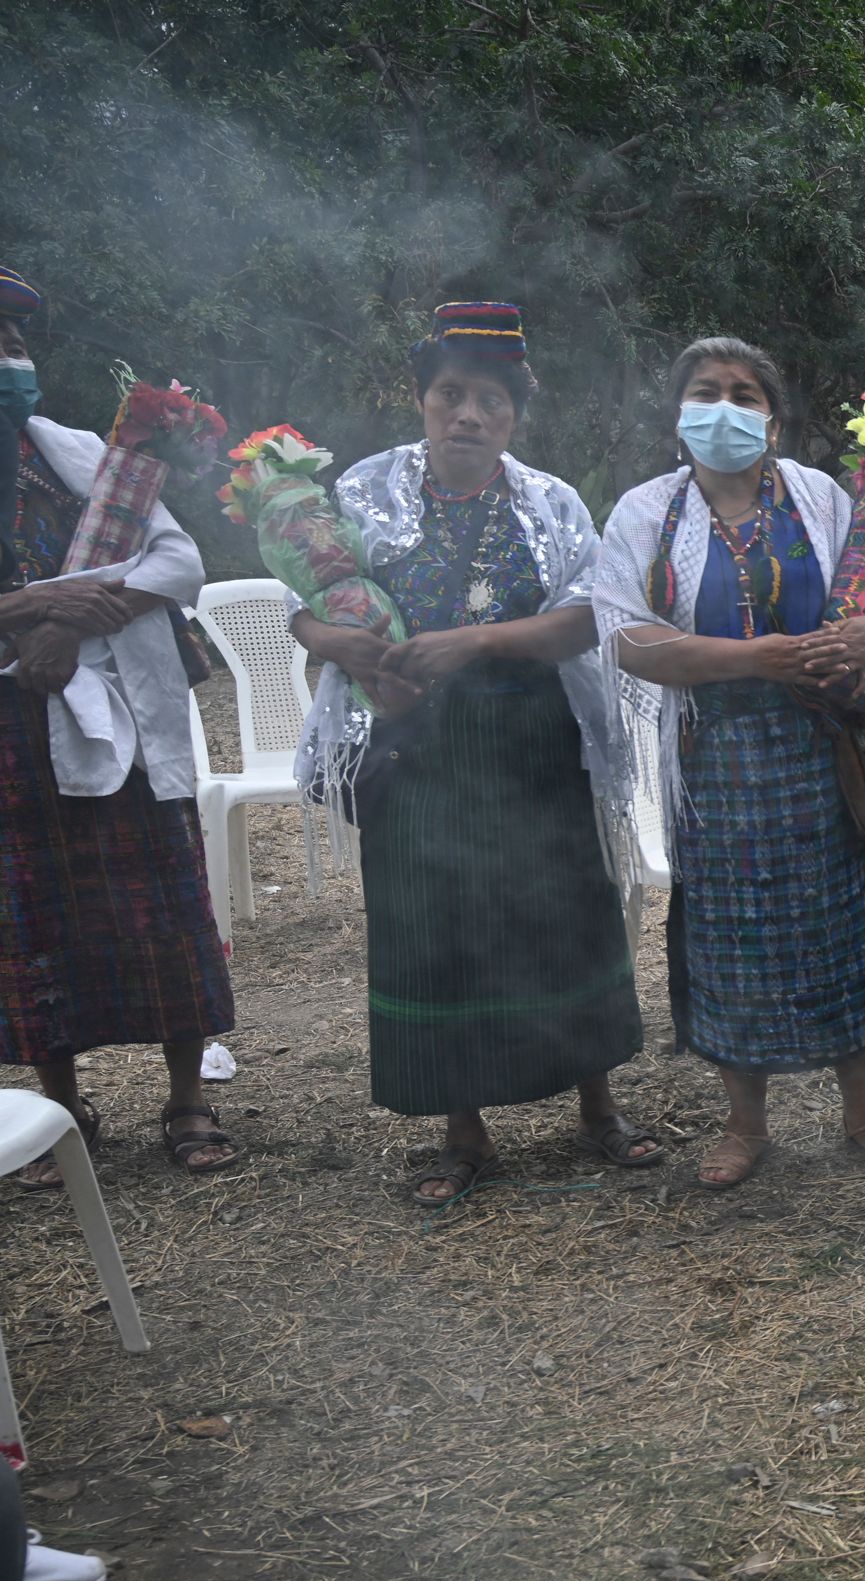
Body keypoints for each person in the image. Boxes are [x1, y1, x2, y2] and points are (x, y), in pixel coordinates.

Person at [290, 302, 654, 1207]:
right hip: (415, 752)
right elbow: (307, 602)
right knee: (433, 926)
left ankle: (599, 1109)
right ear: (420, 401)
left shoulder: (553, 504)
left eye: (490, 401)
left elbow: (587, 618)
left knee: (565, 916)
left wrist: (474, 643)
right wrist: (342, 647)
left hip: (534, 742)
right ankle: (463, 1133)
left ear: (513, 418)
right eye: (450, 394)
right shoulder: (366, 496)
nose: (468, 415)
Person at [594, 336, 865, 1189]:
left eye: (745, 394)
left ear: (772, 420)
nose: (725, 408)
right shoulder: (645, 513)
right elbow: (626, 638)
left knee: (846, 925)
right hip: (719, 759)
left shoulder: (819, 495)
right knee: (732, 938)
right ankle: (745, 1125)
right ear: (679, 415)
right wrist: (757, 658)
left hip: (830, 744)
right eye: (706, 392)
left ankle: (864, 1110)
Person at [0, 262, 237, 1184]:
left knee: (161, 908)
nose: (10, 360)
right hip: (13, 731)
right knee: (36, 919)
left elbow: (178, 563)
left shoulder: (75, 453)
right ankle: (59, 1111)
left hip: (126, 721)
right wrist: (35, 616)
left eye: (15, 344)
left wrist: (61, 617)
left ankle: (189, 1101)